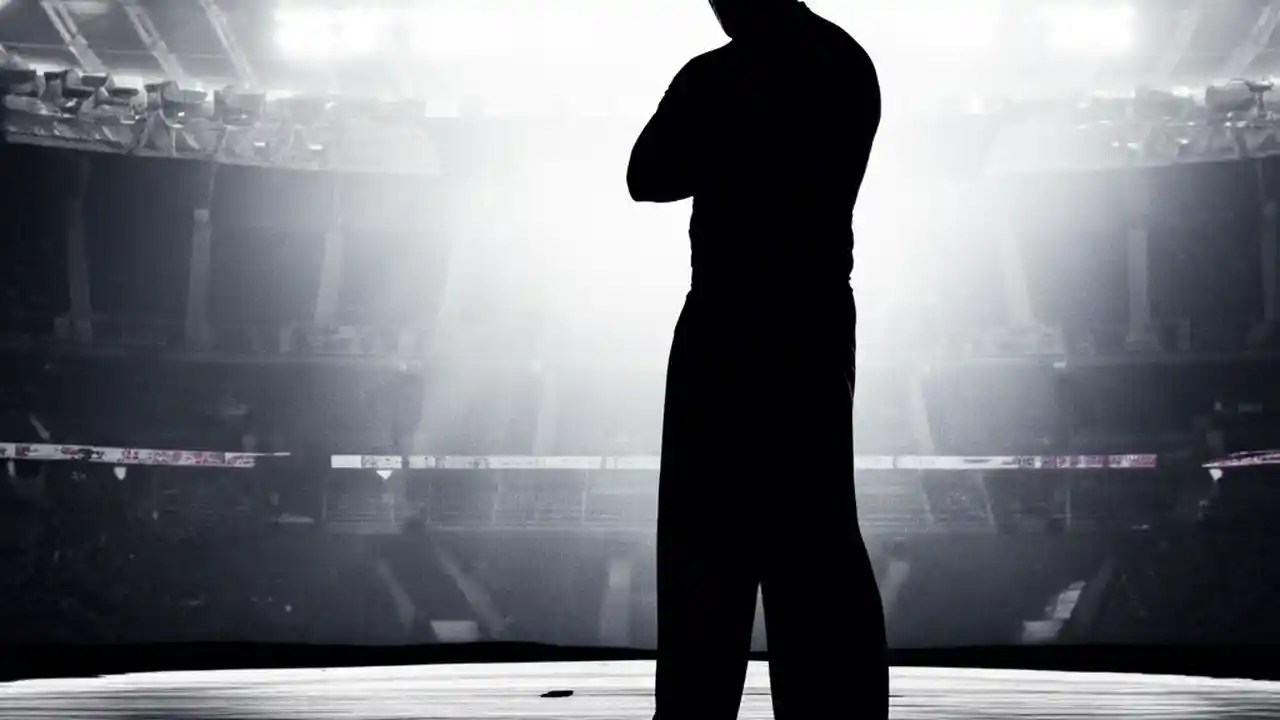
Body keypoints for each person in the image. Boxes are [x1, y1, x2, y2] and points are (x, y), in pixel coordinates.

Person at [627, 1, 883, 718]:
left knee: (705, 539)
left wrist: (721, 132)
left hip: (727, 313)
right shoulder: (843, 61)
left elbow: (646, 173)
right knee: (816, 535)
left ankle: (695, 709)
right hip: (813, 312)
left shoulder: (719, 74)